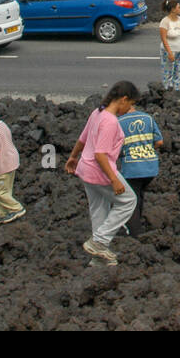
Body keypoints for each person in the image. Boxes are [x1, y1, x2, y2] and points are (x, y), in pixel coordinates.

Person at [65, 82, 139, 265]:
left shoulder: (97, 113)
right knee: (129, 201)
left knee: (99, 210)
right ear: (123, 99)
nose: (130, 109)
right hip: (99, 171)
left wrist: (73, 157)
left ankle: (98, 260)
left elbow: (83, 139)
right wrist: (114, 180)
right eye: (130, 104)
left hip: (84, 169)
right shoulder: (110, 121)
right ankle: (99, 241)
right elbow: (100, 154)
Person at [117, 98, 164, 239]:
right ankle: (138, 227)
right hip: (150, 166)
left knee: (130, 201)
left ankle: (135, 235)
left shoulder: (119, 122)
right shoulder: (148, 118)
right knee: (139, 195)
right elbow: (160, 141)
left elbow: (116, 146)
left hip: (132, 167)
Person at [159, 0, 180, 93]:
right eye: (178, 7)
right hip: (169, 51)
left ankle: (176, 90)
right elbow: (164, 39)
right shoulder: (165, 21)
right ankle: (166, 91)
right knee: (167, 71)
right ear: (173, 9)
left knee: (178, 71)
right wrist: (169, 52)